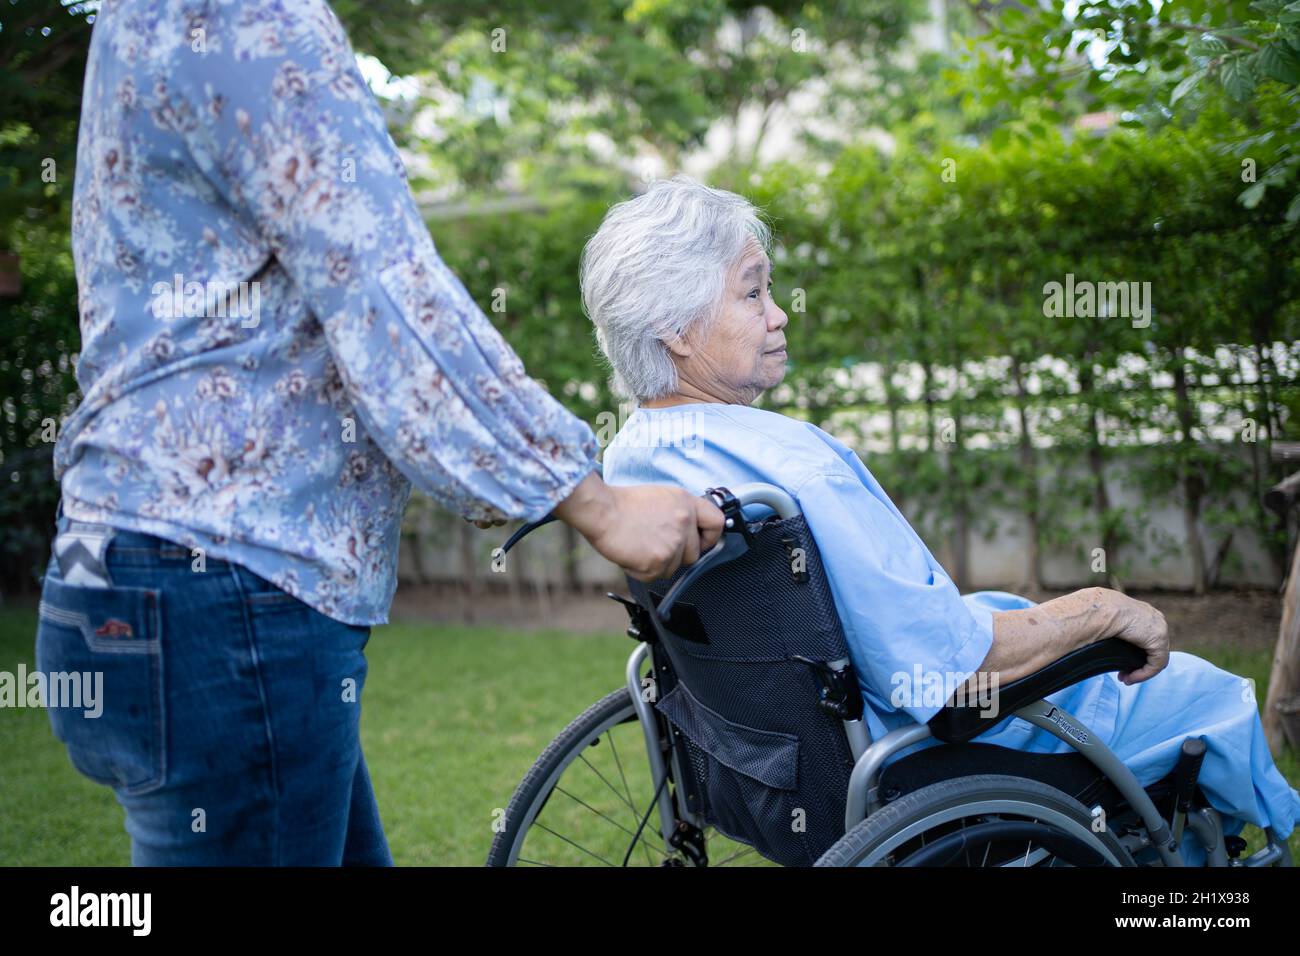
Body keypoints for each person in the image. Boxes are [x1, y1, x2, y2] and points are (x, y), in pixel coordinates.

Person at [37, 0, 722, 866]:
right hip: (230, 589)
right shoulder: (251, 16)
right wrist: (589, 498)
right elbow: (391, 301)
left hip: (132, 574)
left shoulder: (142, 18)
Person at [588, 174, 1300, 866]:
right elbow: (949, 675)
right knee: (1210, 696)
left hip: (758, 765)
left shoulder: (627, 463)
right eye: (753, 291)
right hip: (917, 754)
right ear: (677, 332)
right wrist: (1099, 608)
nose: (778, 314)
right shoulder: (798, 467)